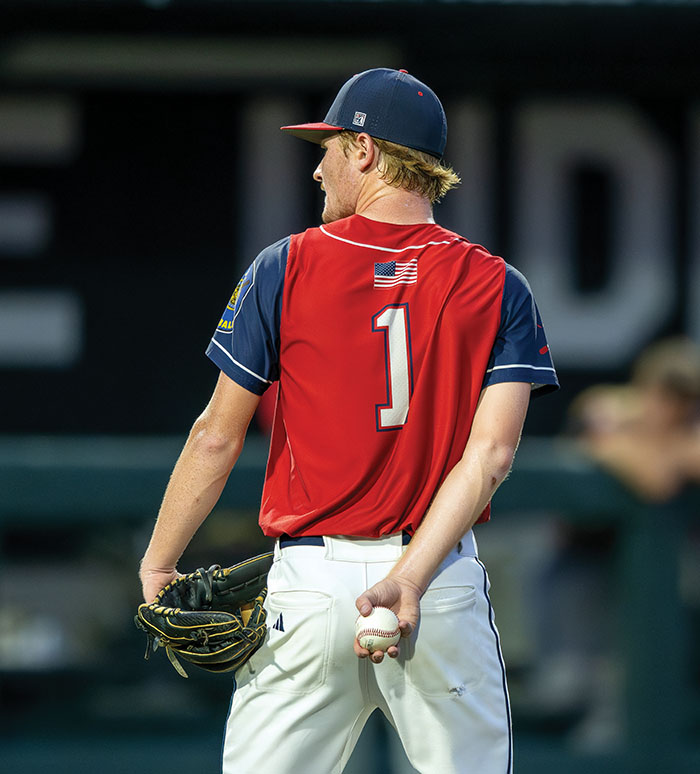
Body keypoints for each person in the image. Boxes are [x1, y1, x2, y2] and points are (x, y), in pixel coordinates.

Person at [139, 68, 559, 774]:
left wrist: (159, 562)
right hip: (436, 583)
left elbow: (215, 435)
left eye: (330, 146)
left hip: (309, 585)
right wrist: (410, 579)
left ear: (364, 151)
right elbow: (490, 458)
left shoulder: (287, 264)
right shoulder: (498, 283)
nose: (318, 166)